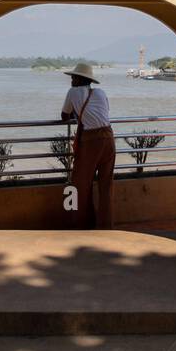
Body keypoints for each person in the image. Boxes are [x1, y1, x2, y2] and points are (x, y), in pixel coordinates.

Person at [60, 62, 114, 228]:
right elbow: (103, 112)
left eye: (73, 77)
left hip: (91, 141)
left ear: (79, 79)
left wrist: (77, 114)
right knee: (106, 186)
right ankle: (105, 226)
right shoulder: (100, 92)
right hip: (109, 138)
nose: (71, 80)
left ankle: (78, 224)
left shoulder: (73, 92)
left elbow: (64, 116)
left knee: (78, 185)